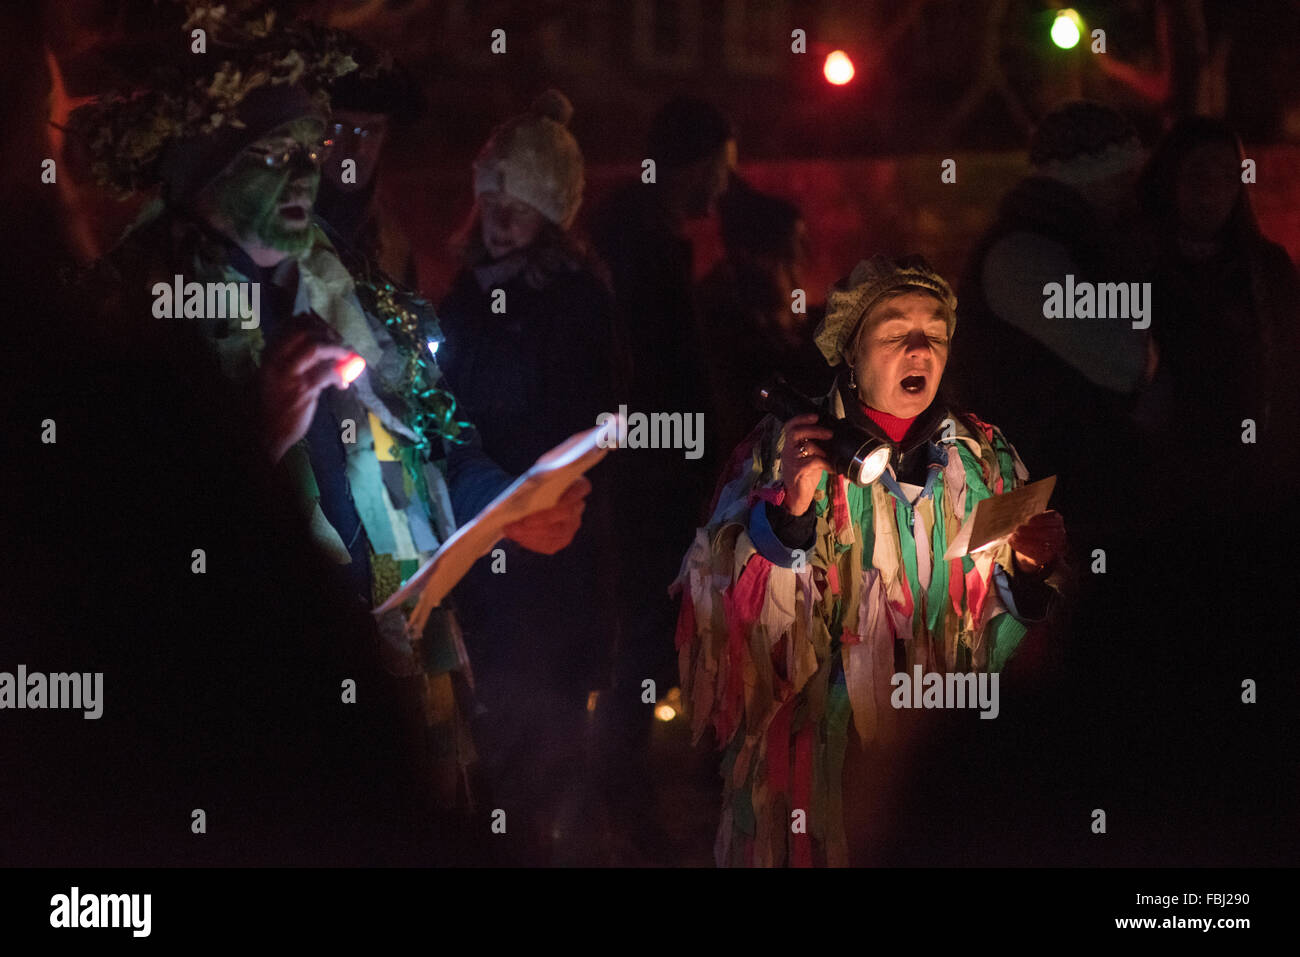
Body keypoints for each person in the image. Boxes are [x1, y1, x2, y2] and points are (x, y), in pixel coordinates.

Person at [63, 16, 589, 853]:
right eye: (272, 154)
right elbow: (98, 553)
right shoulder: (122, 317)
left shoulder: (354, 289)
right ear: (200, 170)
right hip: (238, 719)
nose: (305, 172)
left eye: (310, 150)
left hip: (381, 697)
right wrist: (257, 439)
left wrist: (512, 504)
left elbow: (436, 436)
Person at [673, 255, 1066, 867]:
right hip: (815, 786)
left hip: (932, 782)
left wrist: (1029, 576)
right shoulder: (778, 454)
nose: (919, 349)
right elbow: (721, 639)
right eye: (894, 333)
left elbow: (1007, 652)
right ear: (850, 353)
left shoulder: (985, 460)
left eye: (934, 334)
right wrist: (789, 520)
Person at [436, 90, 621, 865]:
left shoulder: (575, 301)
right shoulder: (466, 297)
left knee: (542, 747)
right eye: (492, 199)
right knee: (486, 746)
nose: (499, 217)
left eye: (518, 202)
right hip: (478, 559)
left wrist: (539, 492)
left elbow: (594, 425)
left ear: (553, 211)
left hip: (548, 569)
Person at [587, 97, 736, 859]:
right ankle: (619, 788)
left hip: (654, 472)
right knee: (650, 629)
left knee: (657, 630)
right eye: (723, 164)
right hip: (649, 479)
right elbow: (657, 371)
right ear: (699, 162)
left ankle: (628, 787)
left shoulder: (637, 233)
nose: (726, 182)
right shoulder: (641, 242)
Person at [948, 101, 1154, 546]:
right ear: (1099, 177)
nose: (1135, 190)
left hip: (1057, 504)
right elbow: (1125, 361)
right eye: (1125, 175)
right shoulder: (1026, 258)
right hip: (1034, 515)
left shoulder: (1059, 246)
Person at [1135, 115, 1300, 492]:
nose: (1211, 192)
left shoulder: (1265, 268)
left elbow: (1287, 371)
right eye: (1198, 175)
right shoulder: (1135, 266)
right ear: (1171, 178)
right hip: (1158, 479)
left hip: (1253, 477)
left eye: (1227, 177)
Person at [697, 173, 829, 464]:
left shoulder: (803, 325)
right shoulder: (729, 330)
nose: (801, 261)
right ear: (757, 257)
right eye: (791, 251)